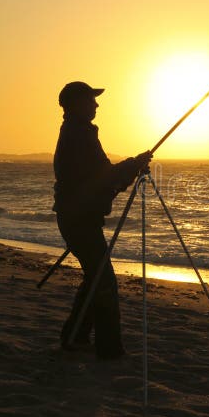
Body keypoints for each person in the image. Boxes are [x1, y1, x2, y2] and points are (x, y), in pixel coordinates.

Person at [53, 81, 152, 359]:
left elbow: (102, 178)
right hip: (78, 220)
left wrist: (132, 166)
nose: (96, 105)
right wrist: (134, 163)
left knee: (95, 277)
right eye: (91, 100)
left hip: (77, 218)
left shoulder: (78, 131)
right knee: (103, 281)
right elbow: (104, 177)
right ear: (76, 104)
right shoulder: (78, 134)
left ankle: (75, 337)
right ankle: (108, 350)